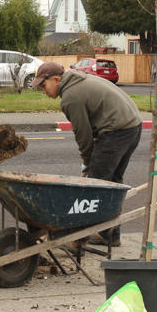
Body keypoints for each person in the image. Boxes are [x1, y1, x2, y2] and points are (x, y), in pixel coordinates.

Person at [31, 61, 143, 246]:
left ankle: (77, 238)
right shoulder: (80, 80)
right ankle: (109, 235)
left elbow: (83, 135)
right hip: (133, 126)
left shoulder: (70, 98)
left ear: (57, 79)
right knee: (112, 184)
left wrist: (88, 163)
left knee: (93, 186)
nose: (43, 91)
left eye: (43, 85)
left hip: (116, 131)